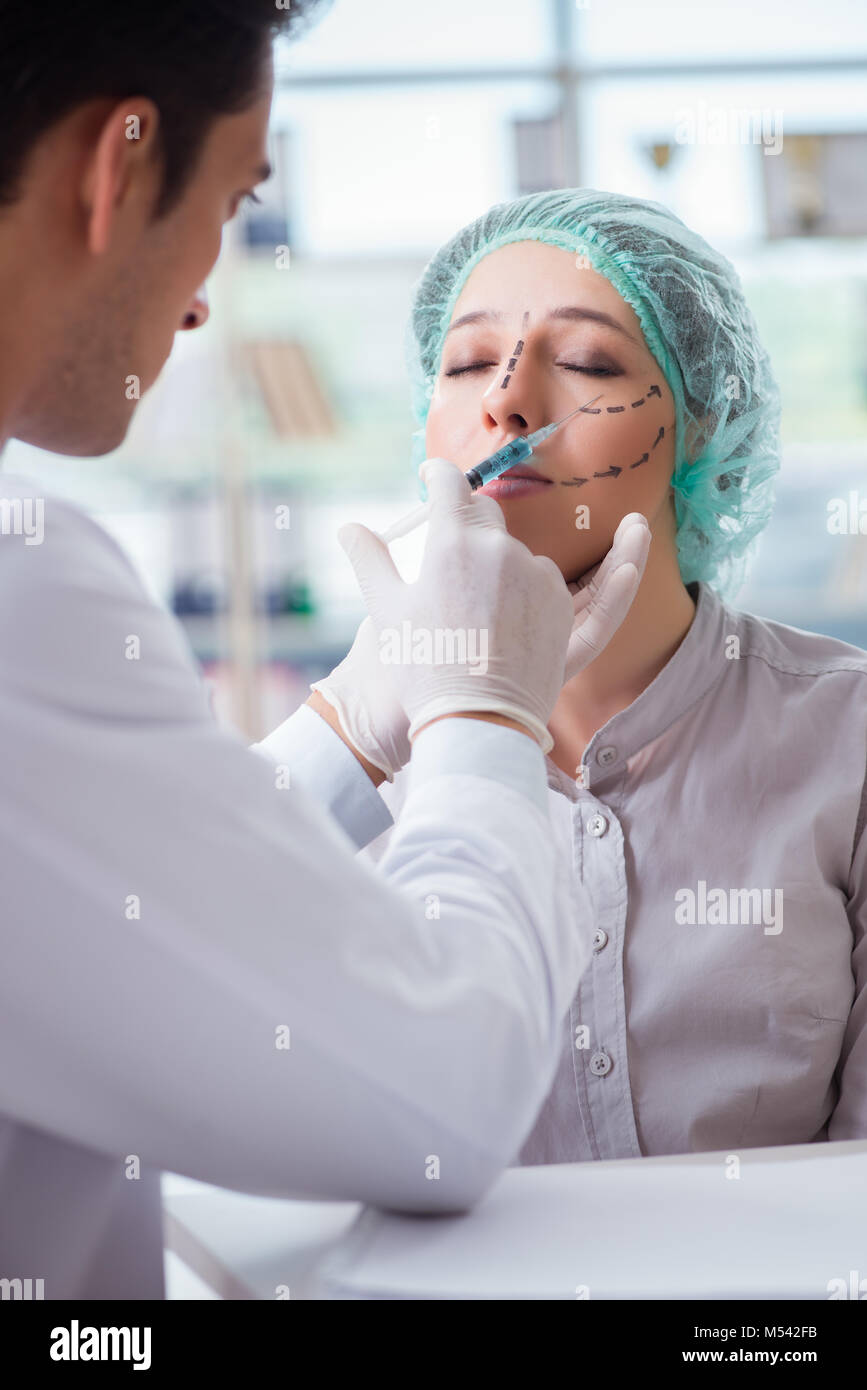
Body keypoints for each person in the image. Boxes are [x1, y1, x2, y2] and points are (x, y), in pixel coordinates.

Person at [0, 5, 650, 1299]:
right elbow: (441, 1094)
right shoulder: (26, 591)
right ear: (117, 164)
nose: (201, 299)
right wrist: (481, 721)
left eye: (585, 364)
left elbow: (106, 897)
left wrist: (362, 716)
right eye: (235, 202)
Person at [293, 188, 867, 1161]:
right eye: (467, 360)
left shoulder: (845, 734)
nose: (504, 400)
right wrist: (374, 723)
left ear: (705, 420)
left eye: (589, 362)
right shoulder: (341, 771)